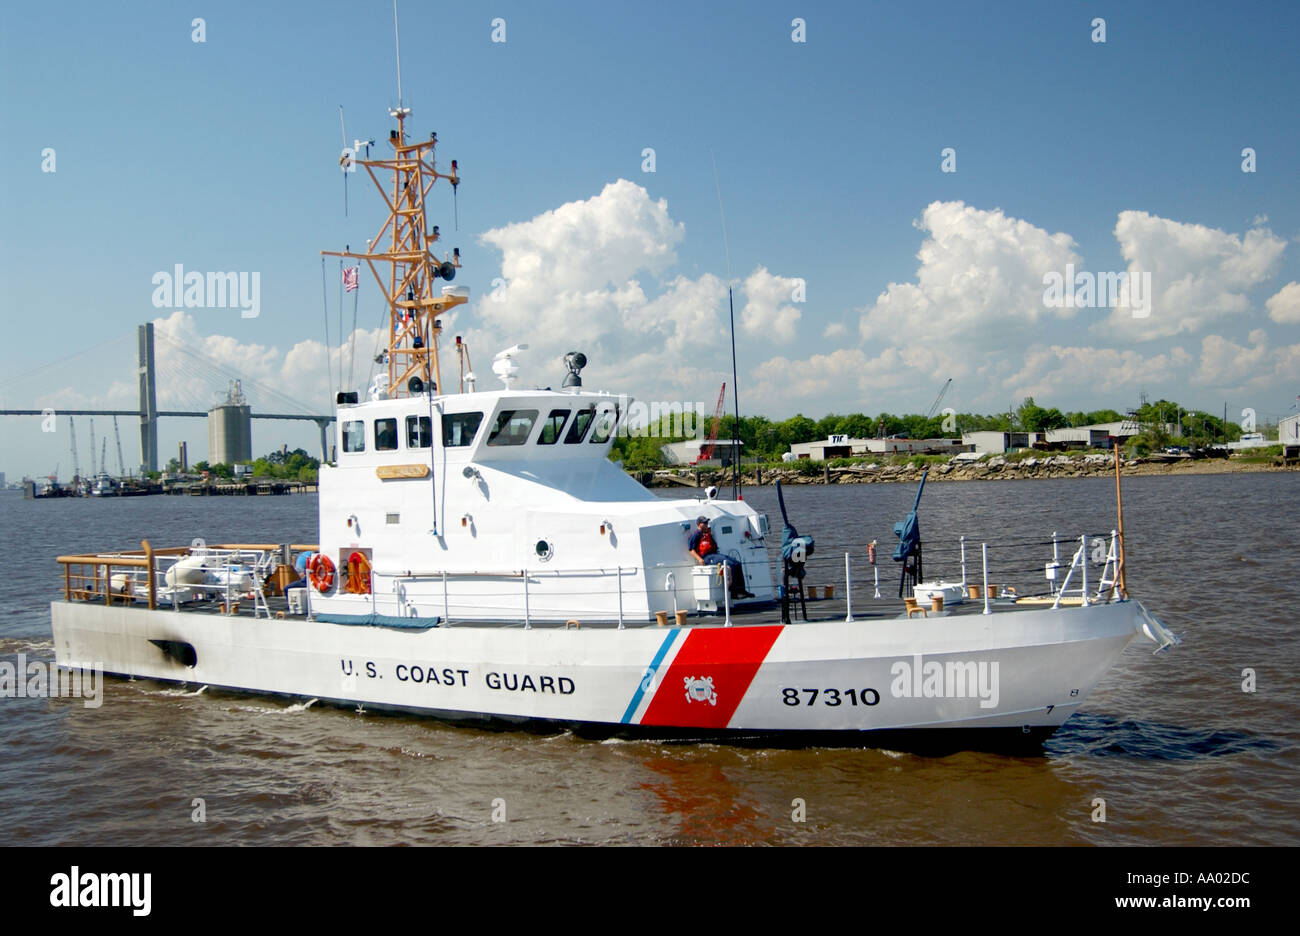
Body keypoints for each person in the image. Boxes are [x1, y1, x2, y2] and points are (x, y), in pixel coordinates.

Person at [687, 516, 754, 599]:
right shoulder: (696, 534)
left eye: (706, 523)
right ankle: (733, 591)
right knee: (730, 564)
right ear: (699, 524)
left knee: (737, 563)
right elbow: (691, 549)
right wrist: (699, 559)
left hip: (715, 554)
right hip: (707, 557)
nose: (706, 524)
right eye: (704, 523)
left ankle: (741, 590)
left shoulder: (707, 533)